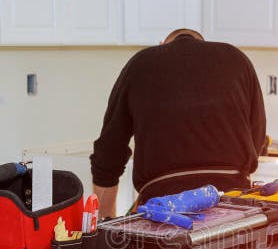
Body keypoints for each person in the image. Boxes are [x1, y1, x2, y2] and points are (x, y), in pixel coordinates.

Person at [90, 28, 266, 218]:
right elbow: (256, 135)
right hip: (231, 201)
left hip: (163, 204)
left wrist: (106, 225)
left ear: (161, 47)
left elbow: (109, 153)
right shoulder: (236, 58)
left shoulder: (142, 62)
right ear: (204, 43)